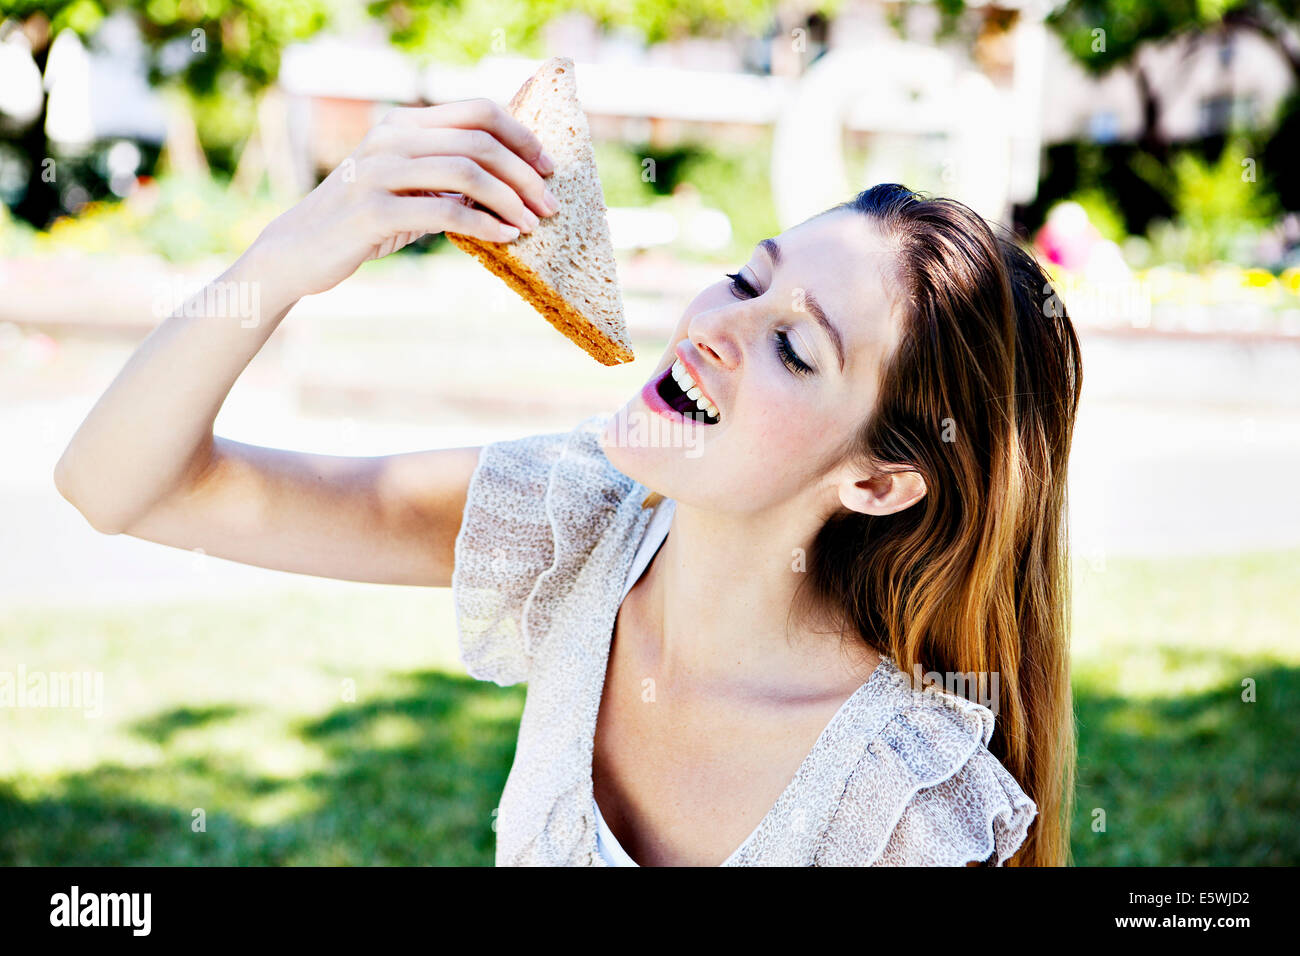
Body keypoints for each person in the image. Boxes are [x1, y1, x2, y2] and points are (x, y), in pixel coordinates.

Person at [55, 98, 1081, 867]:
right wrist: (290, 252)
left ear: (879, 480)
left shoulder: (902, 804)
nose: (714, 327)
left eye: (794, 349)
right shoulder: (575, 522)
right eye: (746, 278)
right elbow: (123, 486)